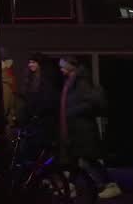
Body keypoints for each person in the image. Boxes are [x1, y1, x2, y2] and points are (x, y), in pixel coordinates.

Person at [58, 55, 122, 200]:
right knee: (73, 160)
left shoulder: (81, 82)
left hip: (83, 129)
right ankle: (71, 187)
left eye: (63, 66)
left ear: (70, 66)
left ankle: (109, 185)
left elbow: (91, 103)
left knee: (89, 159)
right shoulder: (71, 82)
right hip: (75, 128)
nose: (61, 69)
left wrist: (72, 111)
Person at [19, 53, 60, 160]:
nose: (30, 65)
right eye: (29, 62)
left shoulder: (46, 80)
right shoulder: (30, 79)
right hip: (33, 122)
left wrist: (37, 114)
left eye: (33, 62)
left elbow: (48, 100)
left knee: (40, 151)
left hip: (43, 122)